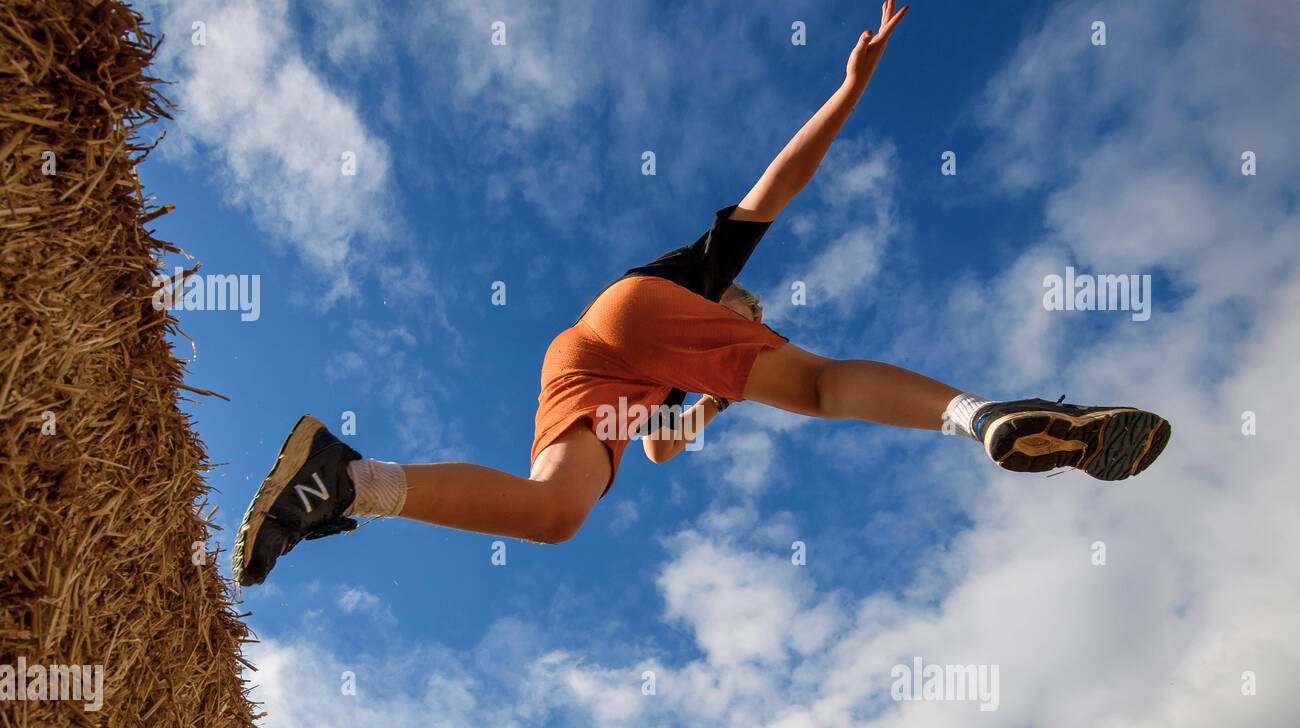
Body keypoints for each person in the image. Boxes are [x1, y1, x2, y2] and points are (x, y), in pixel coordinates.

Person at [231, 2, 1169, 587]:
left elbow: (659, 454)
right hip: (627, 314)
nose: (748, 334)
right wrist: (848, 91)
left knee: (553, 514)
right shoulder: (709, 276)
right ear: (734, 309)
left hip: (591, 368)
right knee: (822, 388)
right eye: (747, 324)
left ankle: (344, 480)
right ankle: (984, 413)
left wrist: (713, 404)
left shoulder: (685, 384)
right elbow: (778, 185)